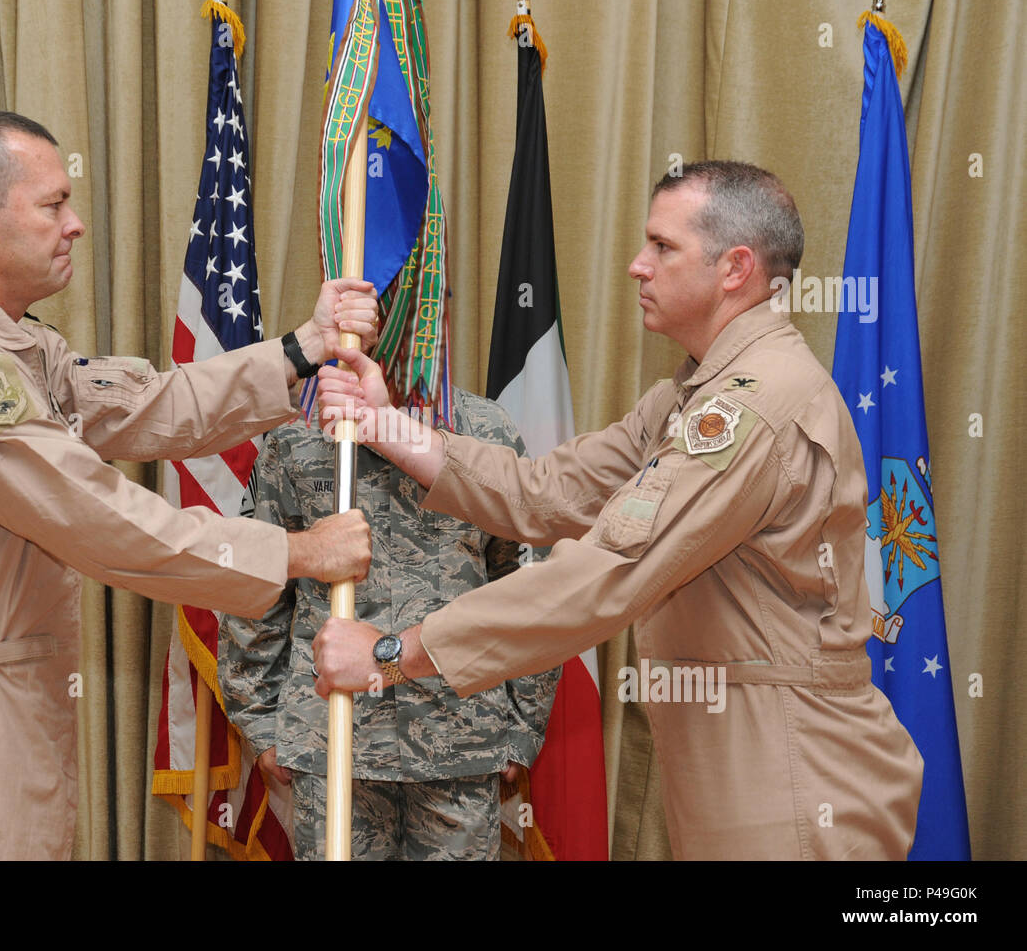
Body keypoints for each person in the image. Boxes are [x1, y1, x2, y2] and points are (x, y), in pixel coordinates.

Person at [311, 161, 925, 860]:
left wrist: (391, 653)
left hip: (792, 774)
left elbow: (607, 572)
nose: (638, 265)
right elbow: (544, 492)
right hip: (741, 761)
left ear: (736, 268)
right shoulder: (692, 395)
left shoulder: (753, 404)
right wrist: (384, 423)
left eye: (663, 247)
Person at [0, 110, 377, 860]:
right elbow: (99, 518)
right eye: (54, 204)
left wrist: (300, 349)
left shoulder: (13, 342)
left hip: (7, 703)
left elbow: (150, 405)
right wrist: (296, 552)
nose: (77, 225)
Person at [219, 388, 561, 860]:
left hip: (458, 737)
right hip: (333, 739)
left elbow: (527, 585)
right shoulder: (297, 436)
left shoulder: (484, 431)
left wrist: (522, 724)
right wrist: (261, 723)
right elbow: (262, 583)